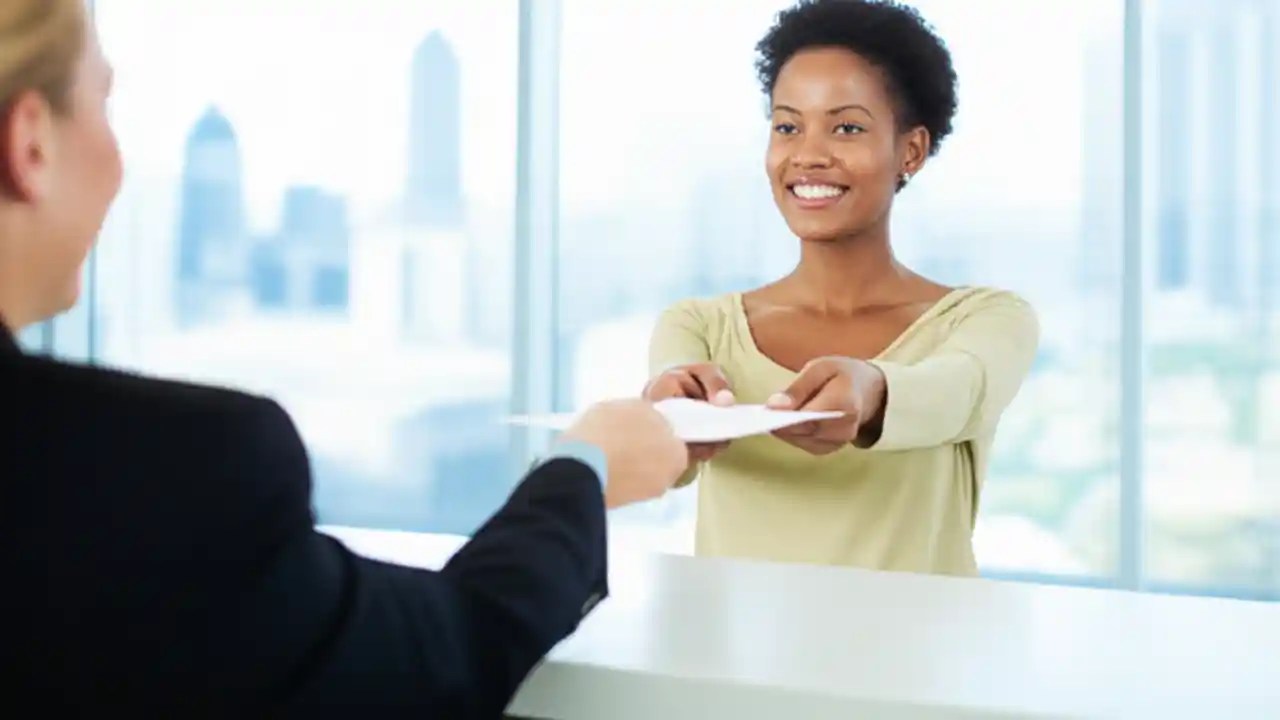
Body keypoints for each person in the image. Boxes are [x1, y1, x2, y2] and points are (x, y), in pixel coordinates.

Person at [0, 1, 688, 716]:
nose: (119, 162)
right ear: (31, 144)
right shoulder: (176, 471)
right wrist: (586, 468)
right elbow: (452, 645)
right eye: (103, 104)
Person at [644, 0, 1039, 576]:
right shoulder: (699, 326)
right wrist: (664, 417)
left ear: (911, 150)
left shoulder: (984, 320)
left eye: (847, 127)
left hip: (917, 662)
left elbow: (956, 390)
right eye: (787, 126)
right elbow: (665, 466)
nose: (807, 155)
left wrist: (872, 390)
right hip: (734, 665)